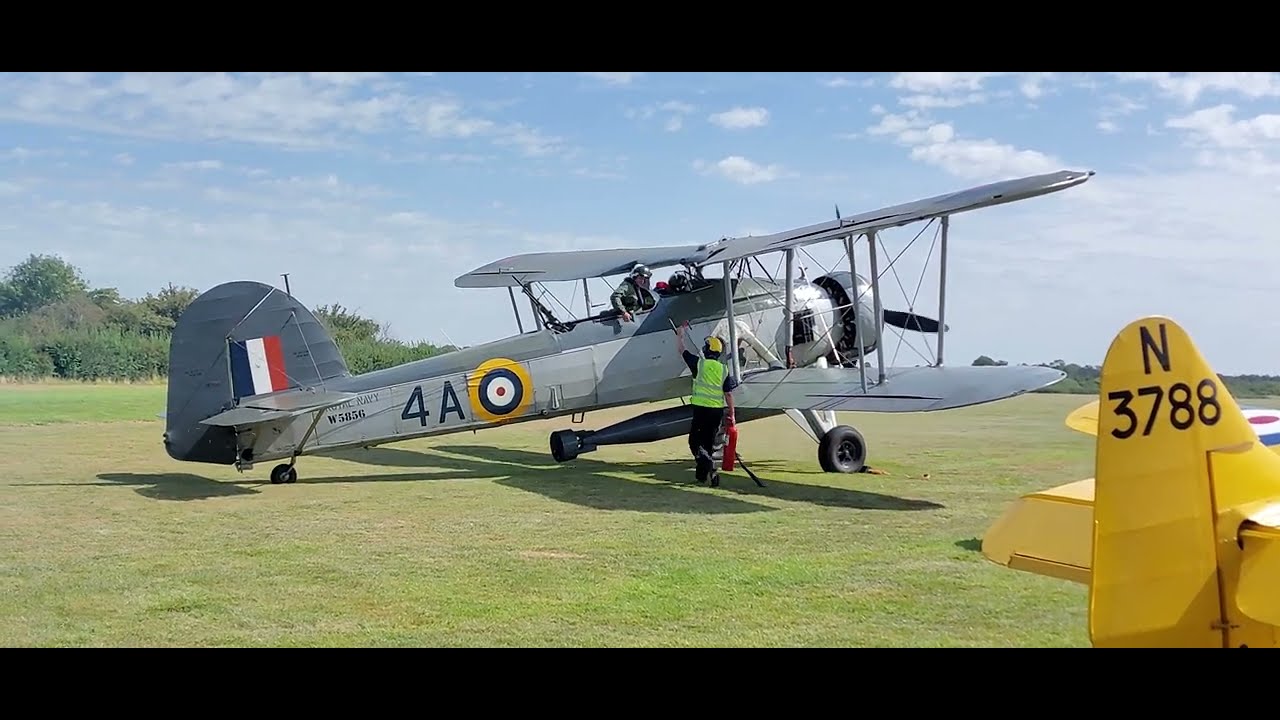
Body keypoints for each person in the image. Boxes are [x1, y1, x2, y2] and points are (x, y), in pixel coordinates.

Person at [675, 320, 738, 486]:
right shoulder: (724, 369)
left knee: (694, 442)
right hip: (716, 412)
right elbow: (728, 393)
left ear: (707, 350)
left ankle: (710, 466)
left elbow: (682, 351)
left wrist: (680, 335)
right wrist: (731, 413)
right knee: (708, 444)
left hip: (701, 409)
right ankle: (703, 477)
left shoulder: (699, 364)